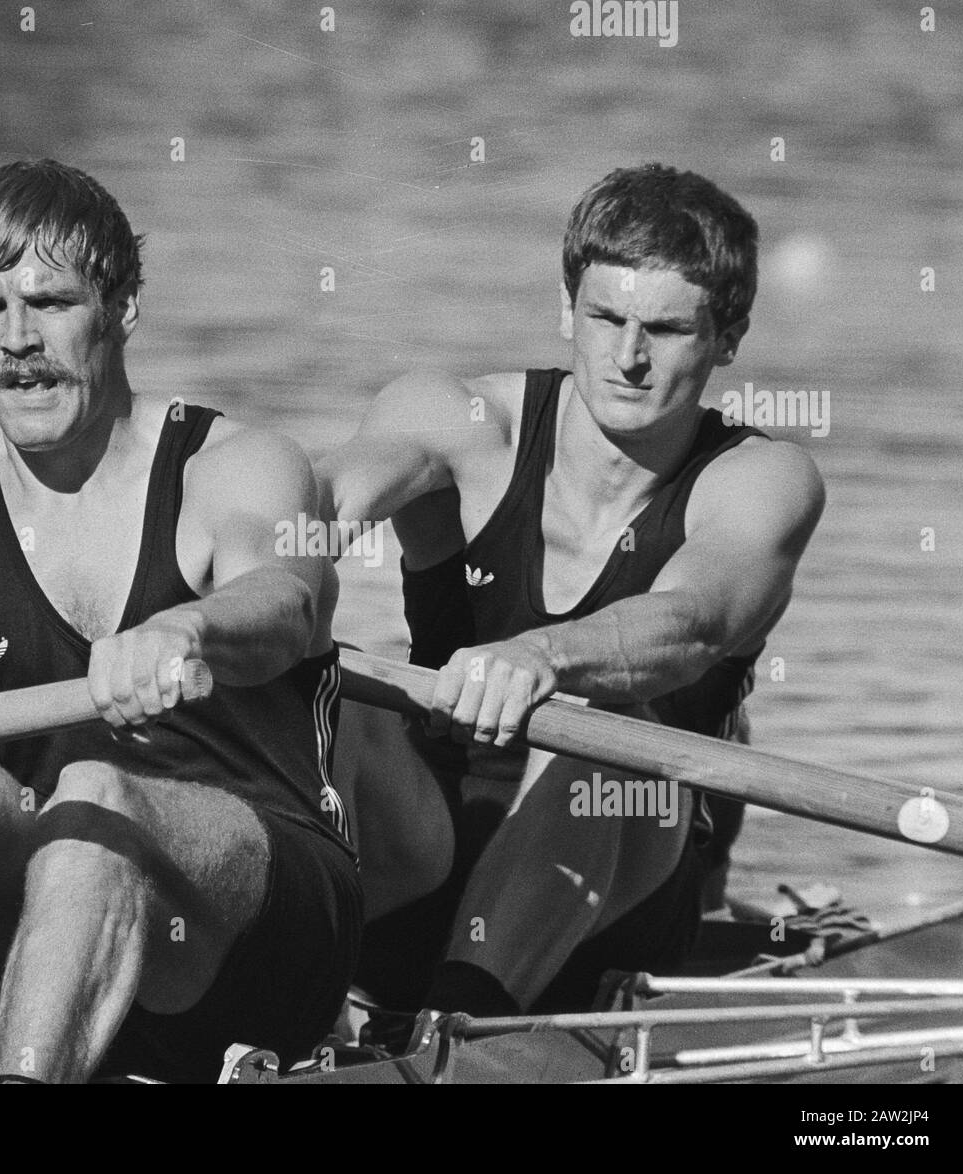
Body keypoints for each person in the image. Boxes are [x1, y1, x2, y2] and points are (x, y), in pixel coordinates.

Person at [0, 159, 360, 1083]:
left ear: (123, 307)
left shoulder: (240, 465)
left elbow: (288, 601)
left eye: (51, 303)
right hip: (44, 940)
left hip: (262, 945)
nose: (18, 341)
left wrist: (188, 632)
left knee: (96, 796)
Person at [317, 163, 824, 1018]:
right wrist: (219, 598)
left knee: (606, 735)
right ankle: (293, 978)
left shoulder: (763, 481)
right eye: (606, 318)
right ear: (566, 310)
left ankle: (463, 1036)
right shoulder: (457, 420)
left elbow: (693, 623)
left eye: (666, 329)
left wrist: (541, 655)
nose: (628, 357)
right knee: (339, 686)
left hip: (616, 902)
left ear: (729, 339)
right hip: (423, 848)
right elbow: (309, 511)